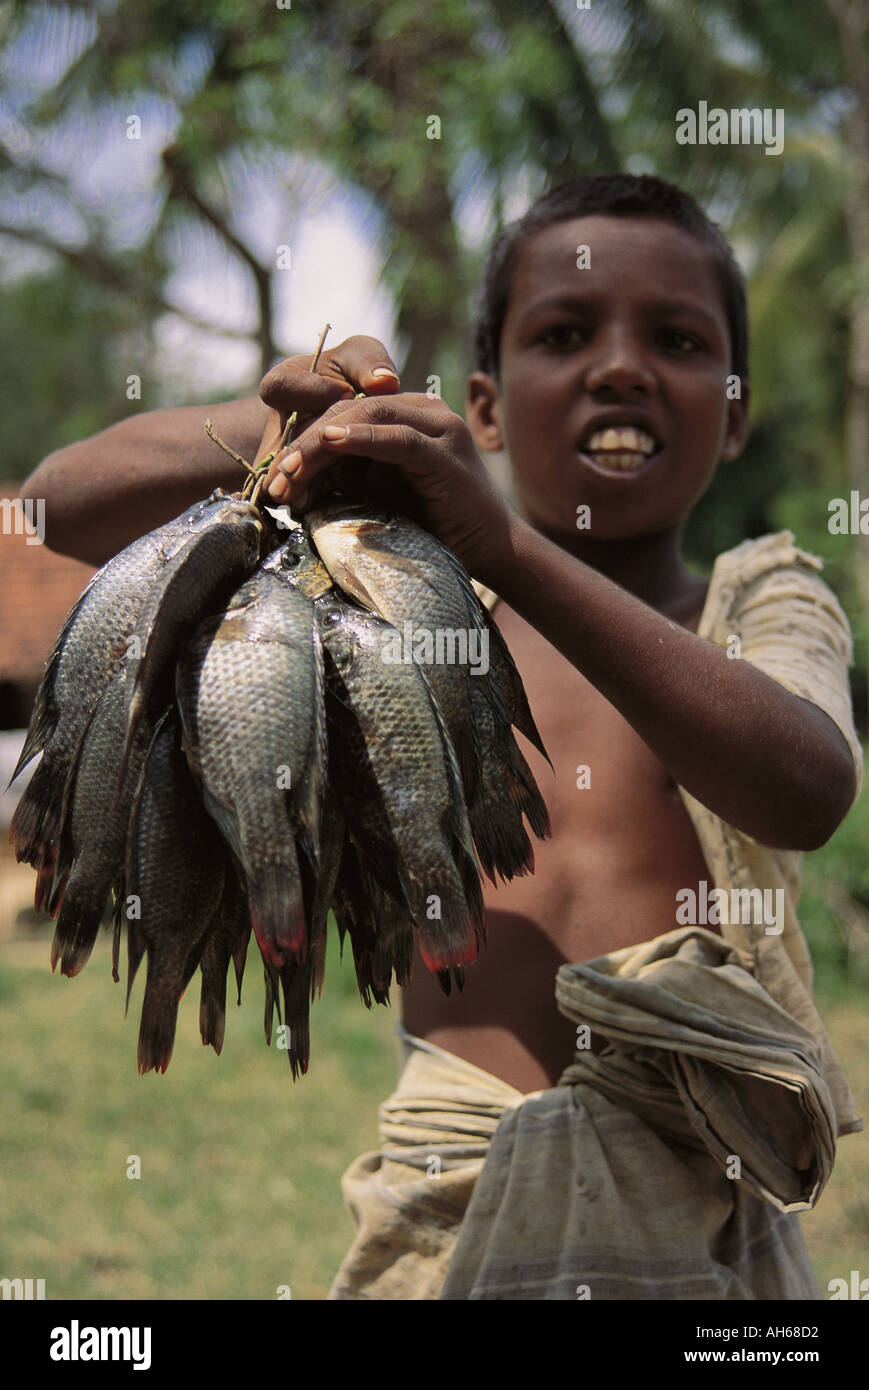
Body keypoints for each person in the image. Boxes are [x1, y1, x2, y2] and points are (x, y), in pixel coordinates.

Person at [22, 173, 864, 1300]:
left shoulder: (758, 604)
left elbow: (803, 783)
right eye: (563, 333)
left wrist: (512, 546)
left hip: (703, 1218)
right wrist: (281, 425)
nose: (618, 365)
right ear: (480, 407)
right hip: (444, 1208)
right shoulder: (403, 598)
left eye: (674, 336)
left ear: (735, 408)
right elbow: (56, 505)